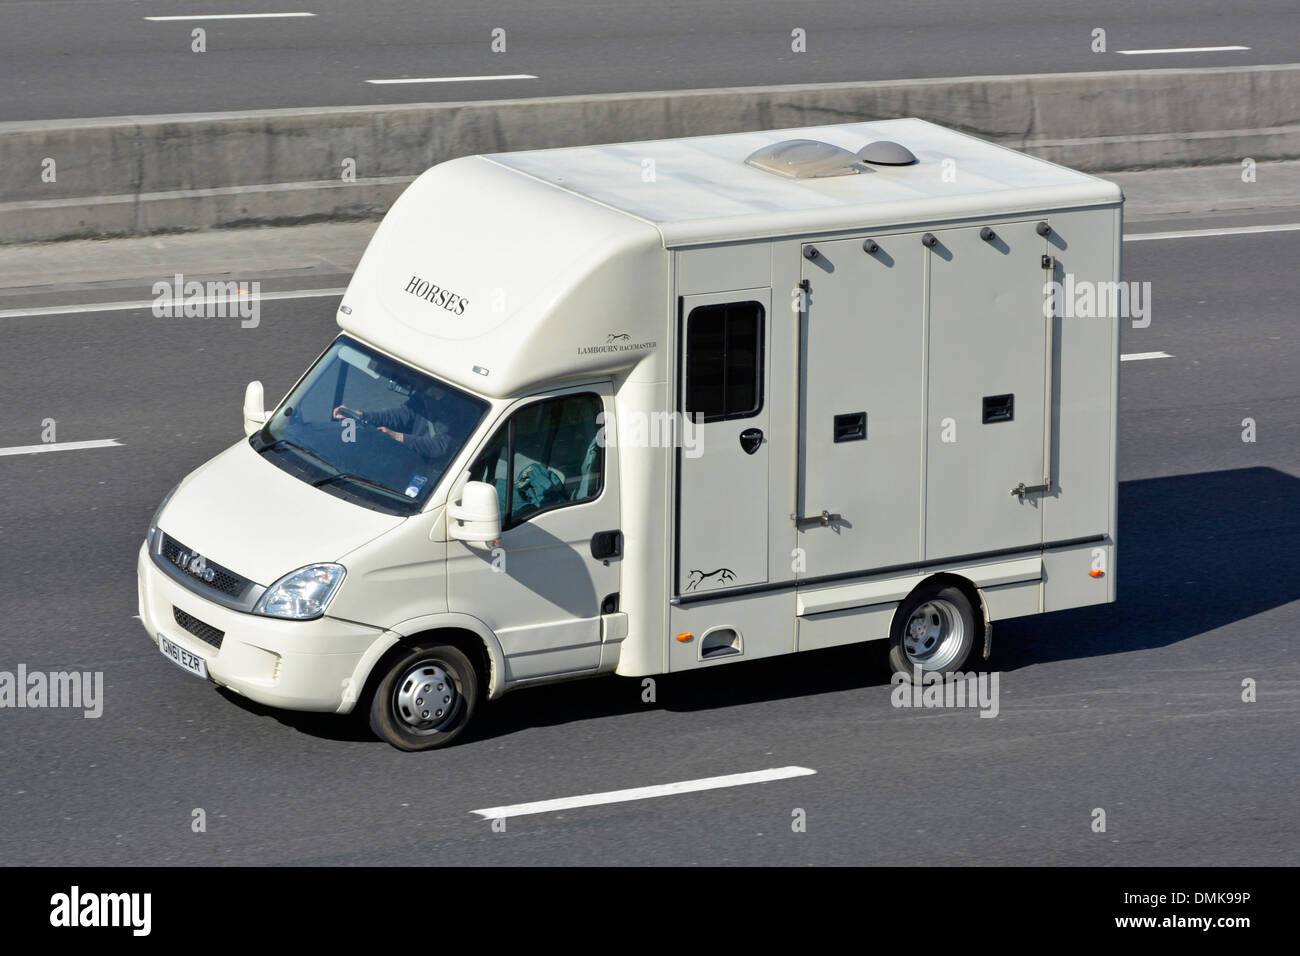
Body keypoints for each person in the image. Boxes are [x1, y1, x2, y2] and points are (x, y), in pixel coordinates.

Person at [333, 384, 478, 463]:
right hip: (409, 458)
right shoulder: (425, 394)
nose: (415, 385)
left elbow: (440, 446)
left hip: (435, 471)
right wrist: (362, 415)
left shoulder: (464, 408)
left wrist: (397, 437)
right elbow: (400, 416)